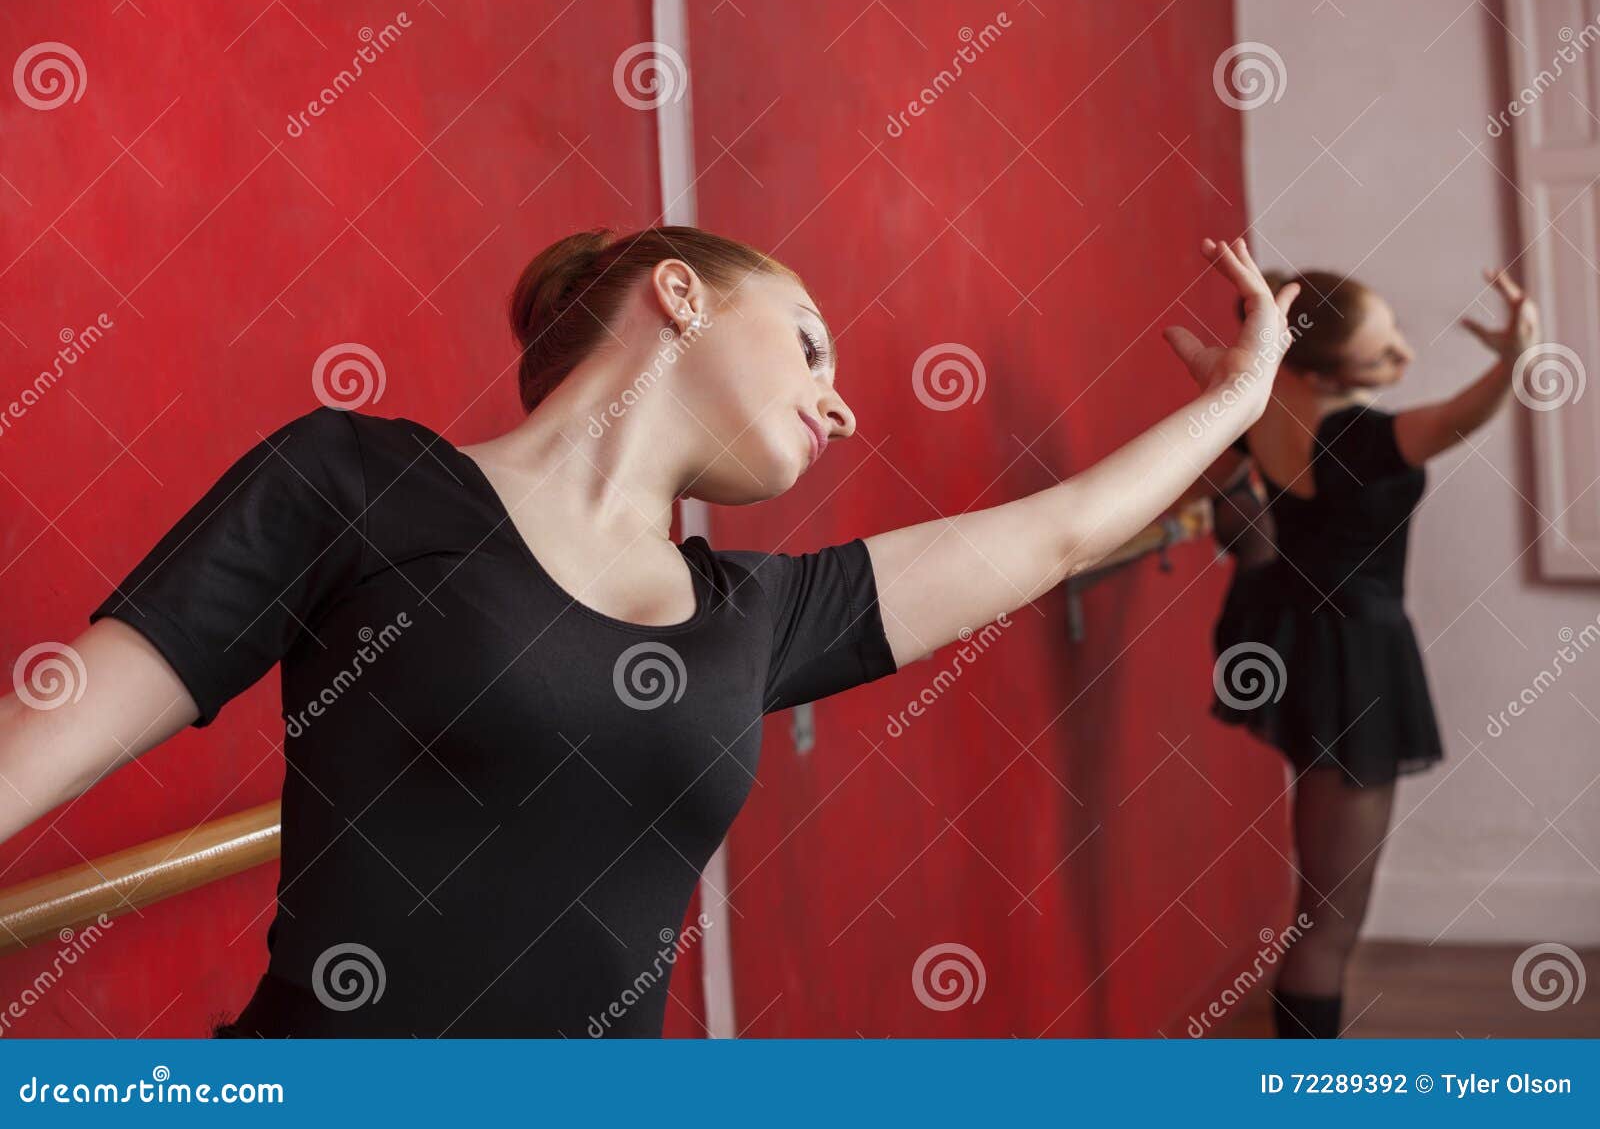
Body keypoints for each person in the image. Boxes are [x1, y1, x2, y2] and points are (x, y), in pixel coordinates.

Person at [0, 226, 1296, 1037]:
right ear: (678, 294)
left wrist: (1244, 393)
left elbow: (1063, 533)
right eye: (810, 348)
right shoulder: (353, 484)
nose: (838, 408)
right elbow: (51, 735)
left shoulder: (762, 615)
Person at [1193, 265, 1539, 1039]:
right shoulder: (1362, 435)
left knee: (1321, 905)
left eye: (1396, 340)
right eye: (1382, 359)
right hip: (1354, 664)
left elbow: (1223, 495)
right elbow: (1463, 415)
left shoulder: (1266, 408)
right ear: (1318, 368)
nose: (1405, 361)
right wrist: (1517, 355)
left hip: (1296, 643)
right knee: (1328, 921)